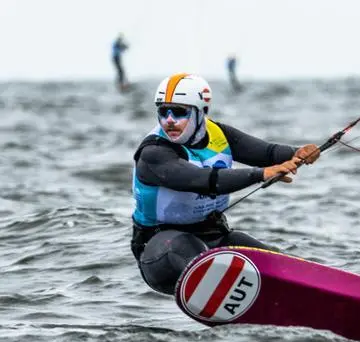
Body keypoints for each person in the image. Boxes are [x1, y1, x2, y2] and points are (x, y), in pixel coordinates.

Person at [130, 73, 320, 295]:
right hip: (162, 251)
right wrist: (261, 174)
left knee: (278, 265)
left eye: (179, 112)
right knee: (193, 252)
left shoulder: (219, 134)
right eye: (163, 112)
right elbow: (205, 180)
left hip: (214, 237)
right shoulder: (153, 153)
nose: (169, 120)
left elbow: (267, 153)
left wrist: (297, 153)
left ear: (202, 112)